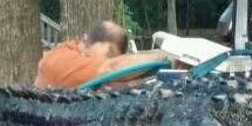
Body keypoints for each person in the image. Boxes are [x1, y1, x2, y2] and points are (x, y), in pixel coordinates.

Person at [35, 20, 178, 90]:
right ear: (85, 39)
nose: (108, 60)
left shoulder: (88, 71)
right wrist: (166, 55)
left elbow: (119, 81)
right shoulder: (61, 60)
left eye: (113, 57)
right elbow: (110, 69)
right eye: (108, 54)